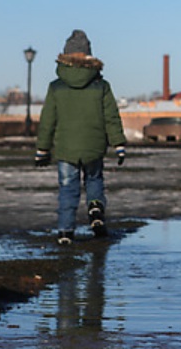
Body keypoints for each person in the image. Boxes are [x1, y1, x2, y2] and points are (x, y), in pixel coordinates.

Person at [34, 29, 128, 245]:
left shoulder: (56, 87)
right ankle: (95, 207)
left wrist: (42, 149)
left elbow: (48, 120)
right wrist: (119, 144)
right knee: (94, 179)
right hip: (94, 145)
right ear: (88, 56)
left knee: (68, 189)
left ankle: (65, 231)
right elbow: (111, 117)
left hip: (66, 148)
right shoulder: (101, 86)